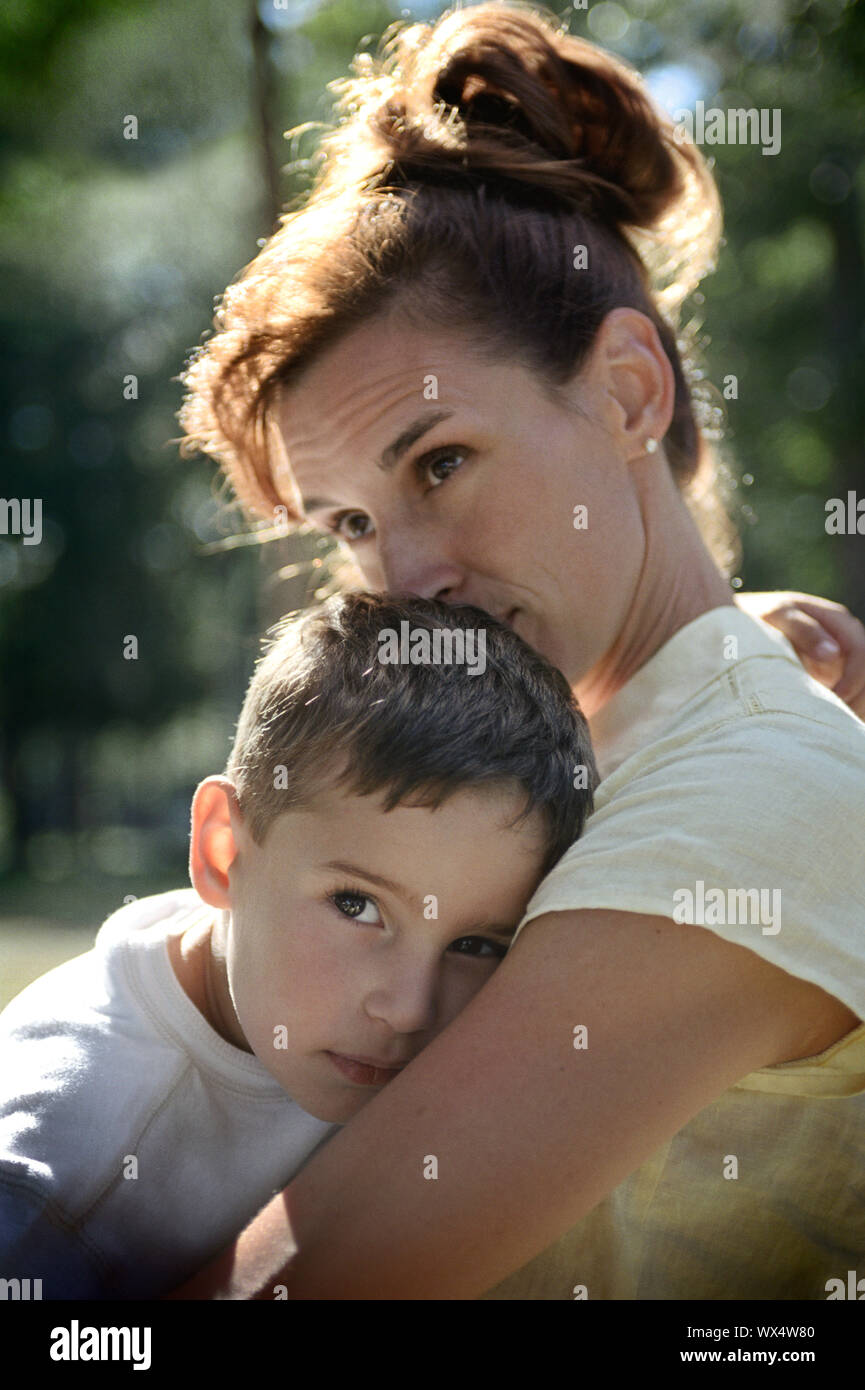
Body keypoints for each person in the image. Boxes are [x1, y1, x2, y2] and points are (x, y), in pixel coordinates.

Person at [173, 3, 865, 1300]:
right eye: (351, 524)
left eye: (442, 461)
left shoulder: (760, 796)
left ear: (626, 393)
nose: (406, 577)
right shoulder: (567, 771)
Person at [0, 592, 595, 1298]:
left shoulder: (275, 960)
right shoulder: (53, 1181)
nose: (408, 1008)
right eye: (356, 905)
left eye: (475, 943)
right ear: (222, 852)